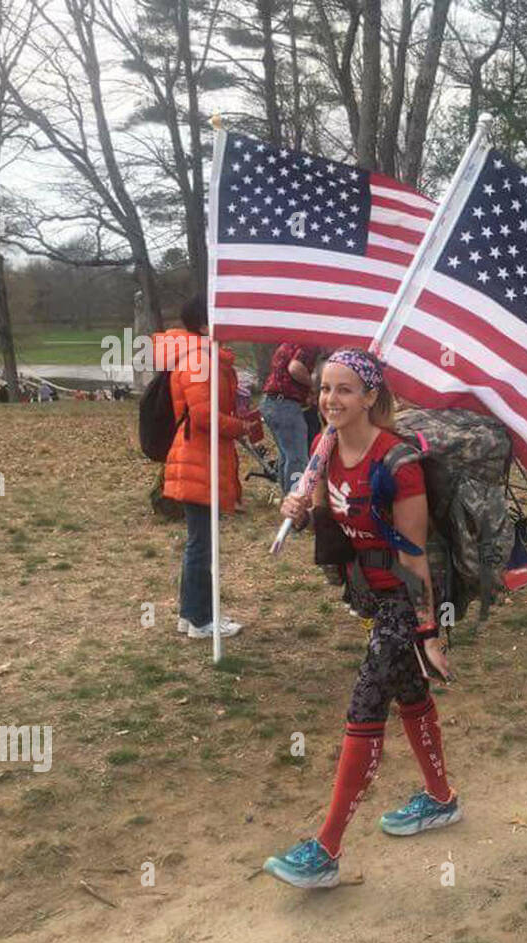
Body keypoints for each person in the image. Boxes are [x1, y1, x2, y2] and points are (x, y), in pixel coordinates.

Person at [263, 347, 461, 889]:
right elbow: (335, 525)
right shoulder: (324, 450)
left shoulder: (399, 463)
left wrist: (428, 634)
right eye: (326, 388)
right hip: (371, 601)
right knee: (410, 696)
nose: (331, 399)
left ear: (371, 396)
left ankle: (325, 850)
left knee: (367, 699)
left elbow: (414, 558)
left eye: (346, 389)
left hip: (404, 599)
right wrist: (299, 510)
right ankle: (441, 800)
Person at [160, 294, 261, 639]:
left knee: (201, 542)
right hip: (198, 459)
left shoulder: (204, 358)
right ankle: (202, 620)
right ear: (204, 324)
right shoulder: (198, 361)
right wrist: (238, 427)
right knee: (203, 544)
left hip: (203, 458)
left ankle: (191, 614)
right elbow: (203, 416)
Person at [261, 342, 322, 494]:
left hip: (271, 402)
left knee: (286, 456)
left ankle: (287, 496)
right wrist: (314, 386)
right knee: (298, 458)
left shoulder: (291, 341)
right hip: (285, 405)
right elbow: (295, 367)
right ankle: (296, 498)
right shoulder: (309, 343)